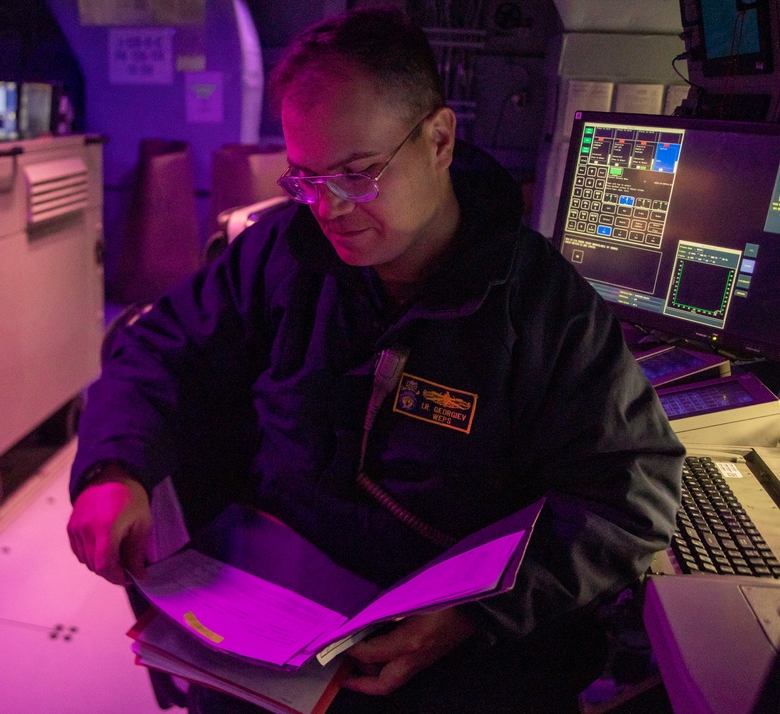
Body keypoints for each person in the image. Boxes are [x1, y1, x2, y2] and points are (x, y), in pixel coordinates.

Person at [67, 7, 684, 713]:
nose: (329, 210)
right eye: (305, 179)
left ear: (440, 139)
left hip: (442, 656)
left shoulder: (543, 309)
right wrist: (116, 471)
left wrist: (469, 620)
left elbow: (627, 496)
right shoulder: (281, 255)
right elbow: (160, 348)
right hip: (269, 617)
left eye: (357, 173)